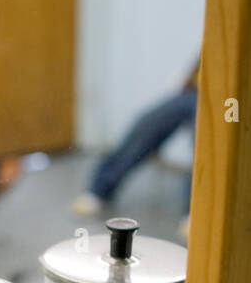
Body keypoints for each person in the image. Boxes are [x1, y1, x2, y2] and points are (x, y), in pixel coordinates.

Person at [72, 61, 200, 228]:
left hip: (224, 98)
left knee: (203, 138)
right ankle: (98, 191)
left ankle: (195, 213)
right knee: (149, 123)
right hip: (192, 92)